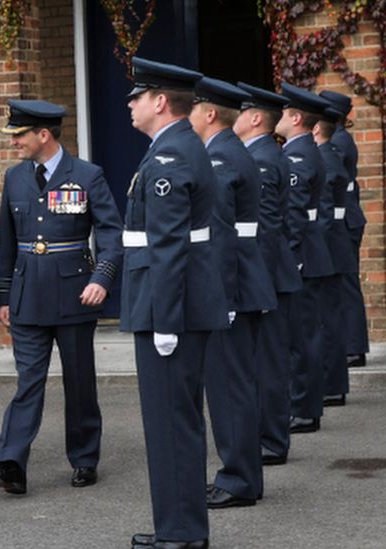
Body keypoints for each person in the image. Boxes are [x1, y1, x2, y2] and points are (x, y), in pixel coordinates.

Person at [0, 99, 123, 495]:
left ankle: (84, 457)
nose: (13, 144)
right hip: (27, 296)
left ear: (44, 135)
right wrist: (4, 296)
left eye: (19, 136)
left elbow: (112, 235)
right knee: (29, 381)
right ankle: (11, 464)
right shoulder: (14, 177)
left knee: (79, 382)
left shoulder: (87, 176)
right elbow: (6, 242)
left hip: (75, 294)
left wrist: (102, 279)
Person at [122, 58, 228, 549]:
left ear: (159, 102)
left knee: (171, 422)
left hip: (170, 309)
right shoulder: (178, 148)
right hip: (176, 304)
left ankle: (181, 533)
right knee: (176, 420)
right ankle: (181, 528)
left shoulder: (171, 157)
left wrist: (165, 321)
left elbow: (168, 246)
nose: (130, 105)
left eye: (137, 97)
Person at [190, 77, 276, 509]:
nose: (187, 115)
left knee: (229, 388)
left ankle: (238, 478)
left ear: (209, 114)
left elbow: (219, 237)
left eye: (194, 108)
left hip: (232, 289)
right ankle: (243, 475)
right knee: (236, 385)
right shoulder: (225, 153)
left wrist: (218, 299)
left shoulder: (220, 158)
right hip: (241, 284)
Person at [234, 82, 303, 466]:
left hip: (268, 276)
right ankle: (267, 435)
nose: (235, 119)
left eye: (240, 112)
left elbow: (262, 230)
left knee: (269, 362)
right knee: (264, 360)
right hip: (270, 274)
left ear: (255, 118)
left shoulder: (260, 159)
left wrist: (249, 279)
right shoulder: (260, 154)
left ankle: (272, 441)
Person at [274, 83, 335, 435]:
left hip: (304, 258)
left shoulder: (297, 155)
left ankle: (304, 408)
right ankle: (304, 405)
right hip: (310, 254)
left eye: (284, 112)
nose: (278, 118)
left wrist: (291, 258)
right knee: (302, 334)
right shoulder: (301, 150)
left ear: (296, 118)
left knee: (301, 337)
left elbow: (294, 215)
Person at [319, 90, 369, 368]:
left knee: (346, 284)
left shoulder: (338, 142)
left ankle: (354, 346)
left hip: (346, 220)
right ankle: (352, 345)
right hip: (348, 217)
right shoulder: (339, 139)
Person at [313, 106, 354, 407]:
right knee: (329, 317)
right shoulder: (328, 156)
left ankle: (332, 385)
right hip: (333, 246)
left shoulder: (326, 158)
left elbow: (324, 214)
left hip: (328, 249)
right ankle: (333, 384)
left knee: (327, 319)